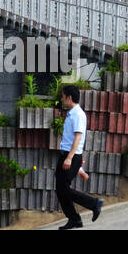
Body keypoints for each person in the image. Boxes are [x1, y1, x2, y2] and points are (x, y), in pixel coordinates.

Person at [54, 84, 103, 230]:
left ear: (69, 98)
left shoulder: (78, 114)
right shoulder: (71, 113)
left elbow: (78, 138)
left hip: (70, 156)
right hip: (66, 155)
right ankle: (74, 219)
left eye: (62, 97)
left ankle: (94, 203)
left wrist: (70, 158)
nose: (61, 100)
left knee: (63, 189)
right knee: (61, 189)